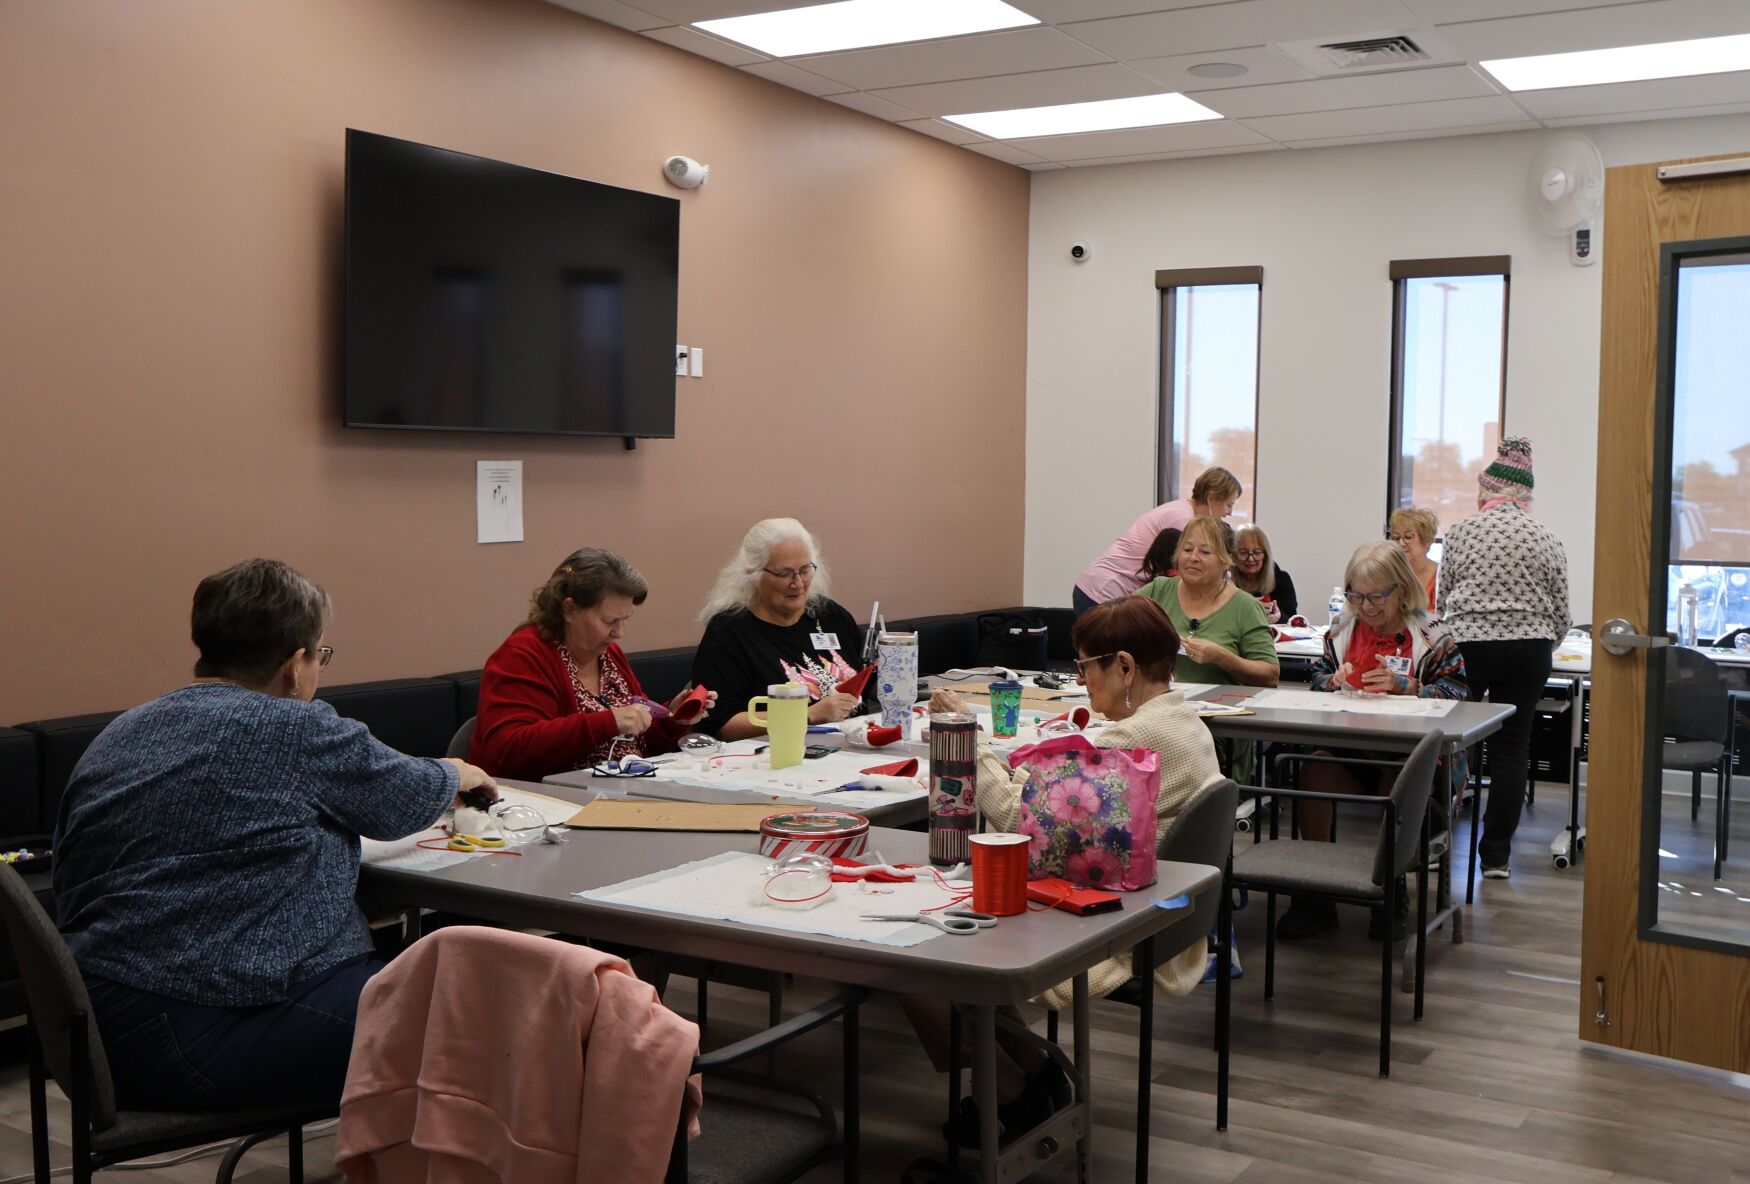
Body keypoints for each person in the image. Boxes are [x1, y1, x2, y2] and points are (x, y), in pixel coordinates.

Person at [52, 559, 500, 1112]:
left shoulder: (124, 729)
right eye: (320, 655)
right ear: (295, 664)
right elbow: (400, 800)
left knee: (420, 993)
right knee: (485, 1026)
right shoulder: (292, 726)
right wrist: (456, 773)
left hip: (93, 1022)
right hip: (200, 1024)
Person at [913, 598, 1223, 1145]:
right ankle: (1035, 1073)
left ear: (1124, 666)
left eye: (1085, 668)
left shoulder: (1132, 740)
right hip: (1153, 906)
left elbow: (1017, 822)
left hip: (1114, 922)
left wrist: (968, 737)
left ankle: (1011, 1094)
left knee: (918, 958)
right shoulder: (1181, 721)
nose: (1080, 681)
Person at [1275, 542, 1469, 940]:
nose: (1366, 607)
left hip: (1414, 760)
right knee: (1314, 769)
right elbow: (1315, 677)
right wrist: (1328, 682)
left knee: (1396, 780)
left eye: (1376, 596)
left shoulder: (1433, 637)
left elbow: (1459, 696)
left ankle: (1391, 890)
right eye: (1356, 596)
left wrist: (1412, 688)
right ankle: (1315, 894)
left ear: (1402, 590)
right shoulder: (1341, 632)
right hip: (1354, 749)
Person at [1438, 437, 1569, 880]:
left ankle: (1434, 842)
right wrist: (1545, 643)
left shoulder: (1459, 532)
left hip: (1470, 645)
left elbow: (1443, 603)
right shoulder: (1546, 537)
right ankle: (1496, 857)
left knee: (1451, 744)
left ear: (1486, 493)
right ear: (1525, 496)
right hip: (1528, 649)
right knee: (1512, 752)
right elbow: (1561, 610)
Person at [470, 549, 715, 780]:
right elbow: (509, 750)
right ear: (569, 608)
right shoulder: (523, 655)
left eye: (625, 620)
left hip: (611, 794)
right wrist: (608, 722)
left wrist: (671, 719)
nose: (619, 633)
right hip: (544, 802)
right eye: (609, 620)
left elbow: (638, 744)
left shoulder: (609, 656)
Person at [691, 518, 872, 739]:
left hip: (855, 747)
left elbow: (869, 679)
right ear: (754, 575)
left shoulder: (830, 615)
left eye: (805, 570)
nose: (798, 583)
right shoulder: (729, 633)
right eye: (784, 574)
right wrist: (807, 715)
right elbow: (722, 723)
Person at [1073, 467, 1241, 616]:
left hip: (1106, 588)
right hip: (1103, 590)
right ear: (1212, 498)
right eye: (1228, 505)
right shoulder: (1182, 519)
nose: (1230, 513)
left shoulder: (1183, 510)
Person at [1230, 524, 1299, 623]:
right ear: (1233, 555)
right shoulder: (1224, 580)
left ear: (1266, 555)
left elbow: (1292, 618)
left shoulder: (1281, 579)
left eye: (1257, 552)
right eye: (1243, 552)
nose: (1250, 558)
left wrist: (1278, 617)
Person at [1390, 506, 1441, 613]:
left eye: (1408, 537)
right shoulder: (1388, 574)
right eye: (1396, 537)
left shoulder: (1441, 576)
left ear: (1426, 539)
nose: (1401, 543)